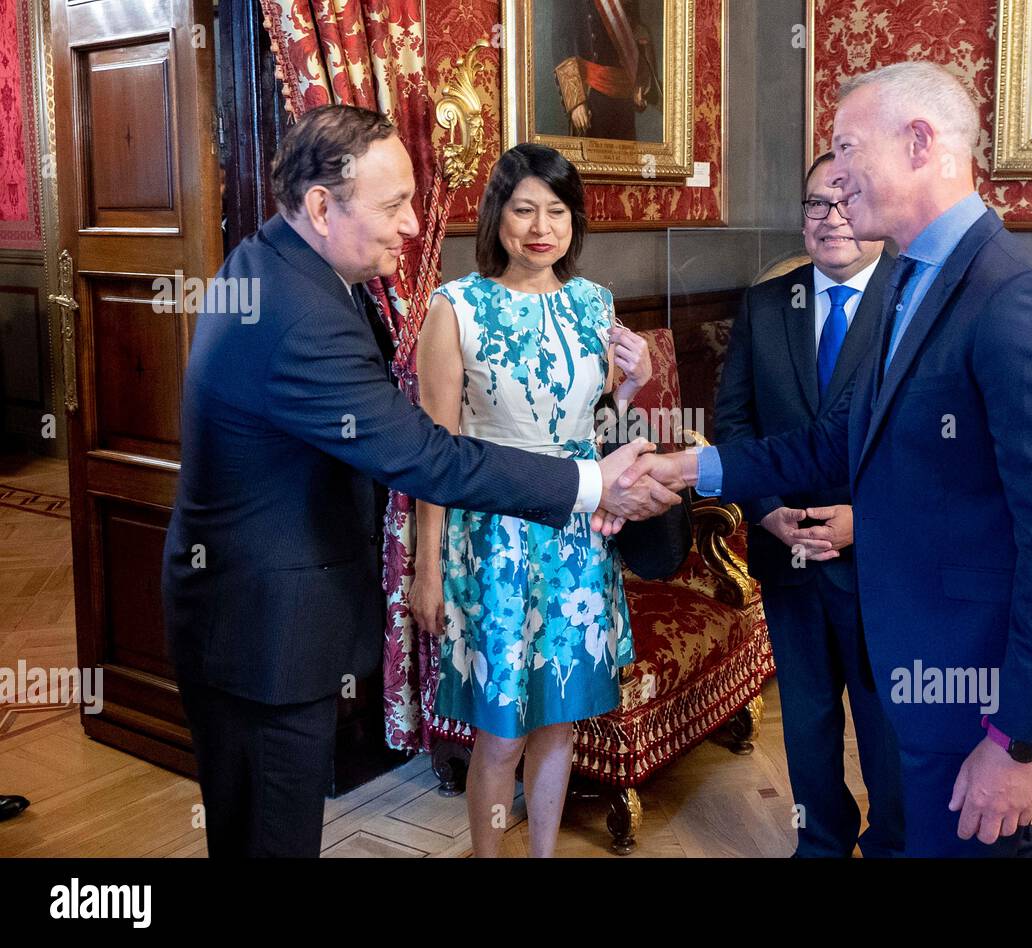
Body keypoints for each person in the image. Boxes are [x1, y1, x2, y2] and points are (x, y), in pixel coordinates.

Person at [161, 106, 677, 858]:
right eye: (394, 204)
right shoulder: (301, 311)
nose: (411, 227)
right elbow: (428, 454)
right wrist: (589, 485)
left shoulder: (278, 268)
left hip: (252, 618)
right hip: (264, 635)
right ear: (319, 206)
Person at [618, 61, 1032, 857]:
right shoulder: (914, 283)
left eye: (847, 149)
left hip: (970, 691)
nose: (836, 177)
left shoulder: (1014, 300)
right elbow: (835, 440)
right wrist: (687, 471)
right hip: (910, 657)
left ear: (919, 142)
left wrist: (1019, 742)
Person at [408, 143, 650, 858]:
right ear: (497, 216)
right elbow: (433, 458)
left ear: (574, 220)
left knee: (561, 721)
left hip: (577, 540)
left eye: (557, 210)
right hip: (494, 545)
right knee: (503, 733)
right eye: (524, 209)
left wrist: (632, 388)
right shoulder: (456, 307)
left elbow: (597, 425)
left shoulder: (594, 304)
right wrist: (428, 571)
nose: (541, 226)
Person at [712, 152, 903, 858]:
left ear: (879, 211)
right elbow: (733, 423)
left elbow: (931, 446)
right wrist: (765, 509)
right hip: (785, 549)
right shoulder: (767, 304)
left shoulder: (916, 303)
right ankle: (820, 842)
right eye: (818, 203)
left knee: (886, 717)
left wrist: (864, 518)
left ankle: (894, 843)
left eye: (850, 201)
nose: (834, 219)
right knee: (808, 715)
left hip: (880, 556)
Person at [552, 0, 661, 140]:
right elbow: (561, 40)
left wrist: (640, 77)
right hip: (591, 95)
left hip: (625, 96)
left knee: (625, 158)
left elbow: (636, 31)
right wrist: (575, 102)